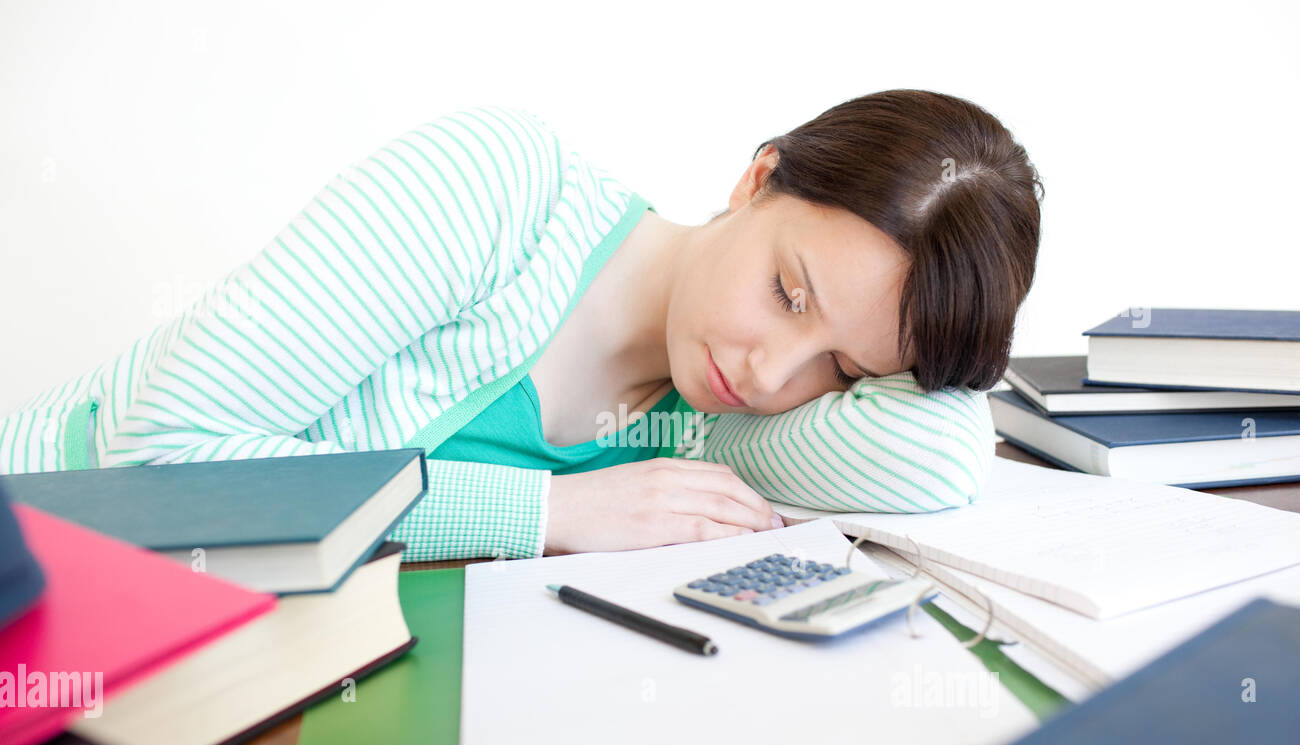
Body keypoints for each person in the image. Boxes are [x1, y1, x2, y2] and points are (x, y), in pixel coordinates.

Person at [0, 90, 1043, 561]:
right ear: (755, 177)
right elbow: (156, 466)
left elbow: (942, 450)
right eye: (787, 291)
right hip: (49, 542)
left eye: (841, 369)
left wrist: (919, 346)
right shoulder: (500, 188)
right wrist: (542, 510)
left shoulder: (725, 417)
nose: (769, 373)